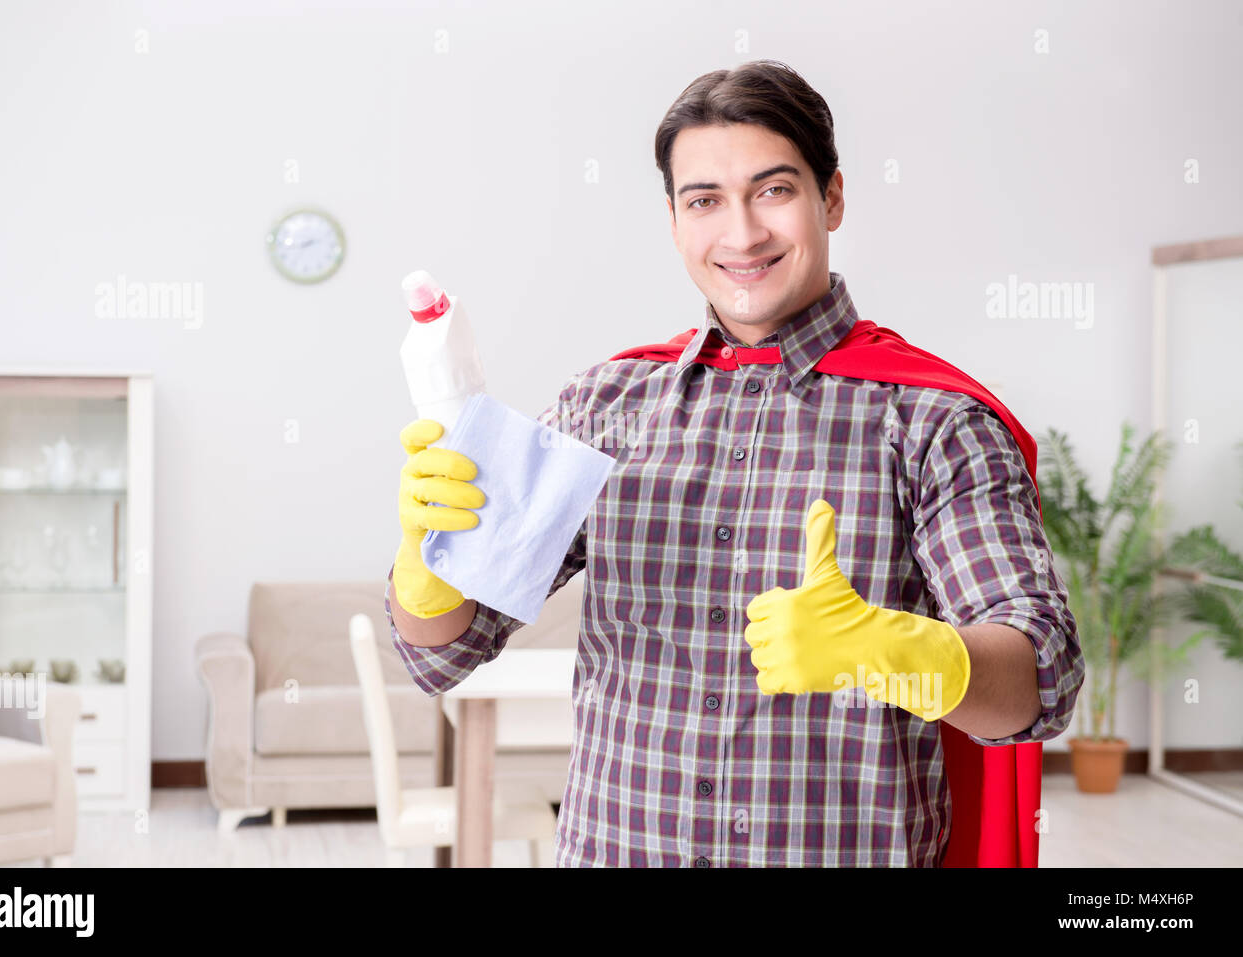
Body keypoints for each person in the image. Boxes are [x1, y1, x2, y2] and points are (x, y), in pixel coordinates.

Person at [385, 59, 1084, 867]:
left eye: (775, 190)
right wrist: (427, 561)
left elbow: (1045, 679)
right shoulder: (605, 408)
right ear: (675, 221)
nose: (742, 233)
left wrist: (897, 650)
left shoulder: (934, 421)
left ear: (833, 198)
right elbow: (447, 651)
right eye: (705, 200)